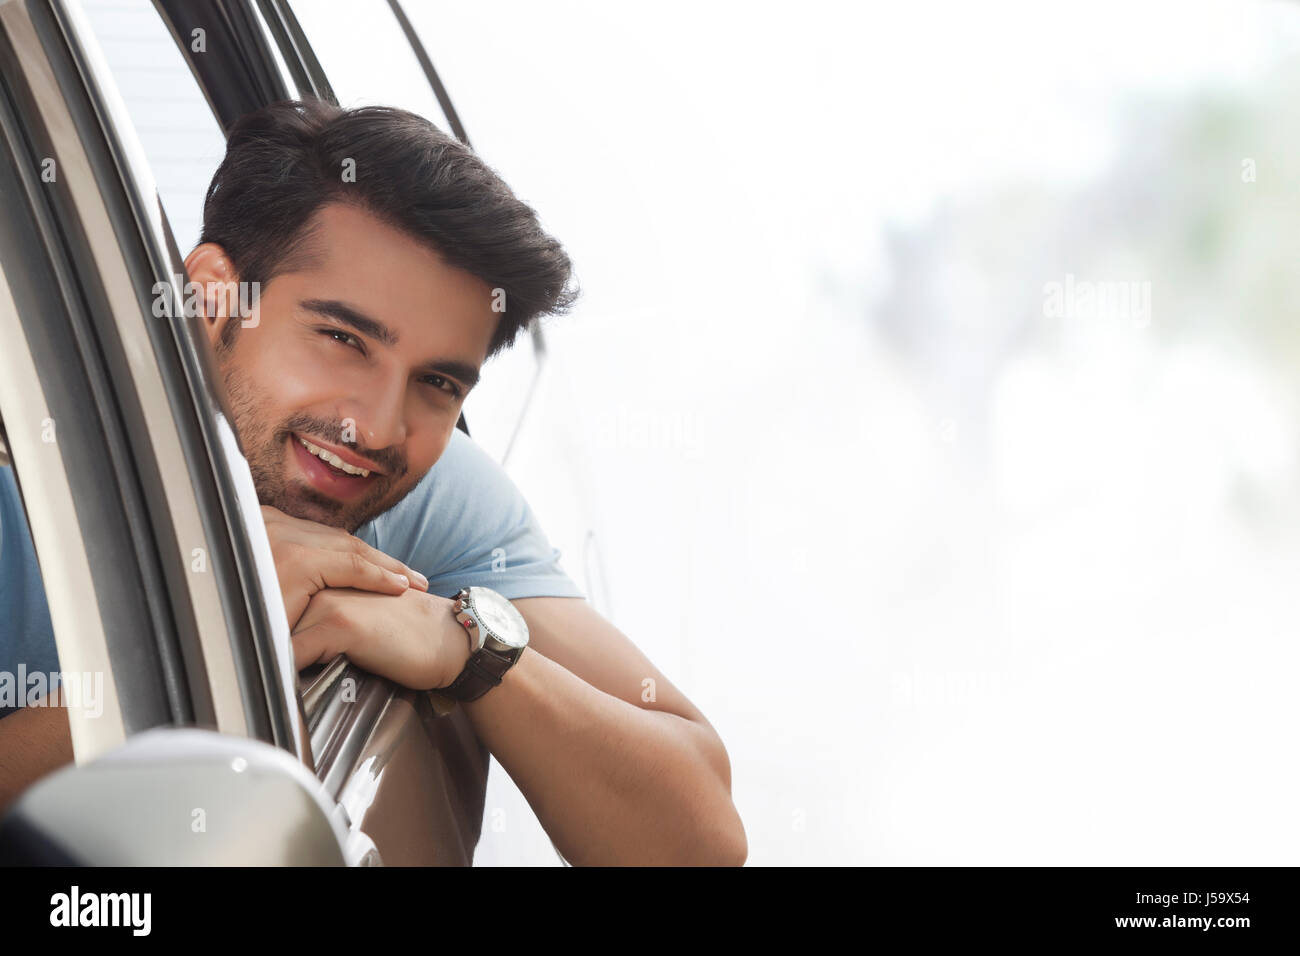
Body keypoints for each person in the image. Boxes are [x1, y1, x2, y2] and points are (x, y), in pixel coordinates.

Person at [0, 99, 745, 866]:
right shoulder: (21, 471)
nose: (381, 428)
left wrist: (474, 657)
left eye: (438, 383)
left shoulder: (425, 493)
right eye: (343, 339)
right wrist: (217, 617)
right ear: (212, 296)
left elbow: (700, 841)